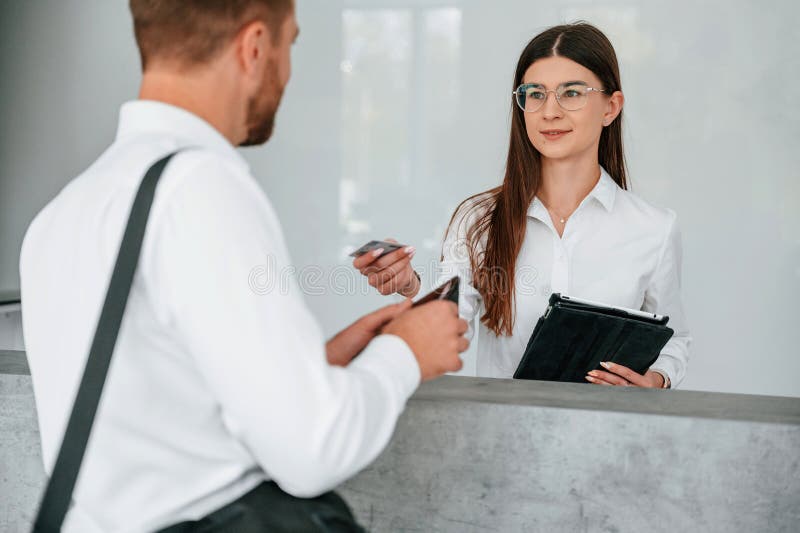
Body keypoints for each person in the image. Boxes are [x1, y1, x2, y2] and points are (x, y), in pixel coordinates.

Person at [20, 1, 469, 531]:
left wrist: (313, 368)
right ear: (255, 47)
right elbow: (313, 450)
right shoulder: (200, 187)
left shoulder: (63, 212)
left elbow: (157, 413)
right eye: (291, 44)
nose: (289, 70)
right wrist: (406, 353)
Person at [353, 22, 690, 389]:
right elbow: (447, 314)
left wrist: (656, 379)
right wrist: (408, 283)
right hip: (503, 436)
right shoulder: (478, 219)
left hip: (606, 435)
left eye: (572, 93)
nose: (550, 111)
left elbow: (674, 338)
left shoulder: (653, 229)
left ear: (611, 107)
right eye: (535, 94)